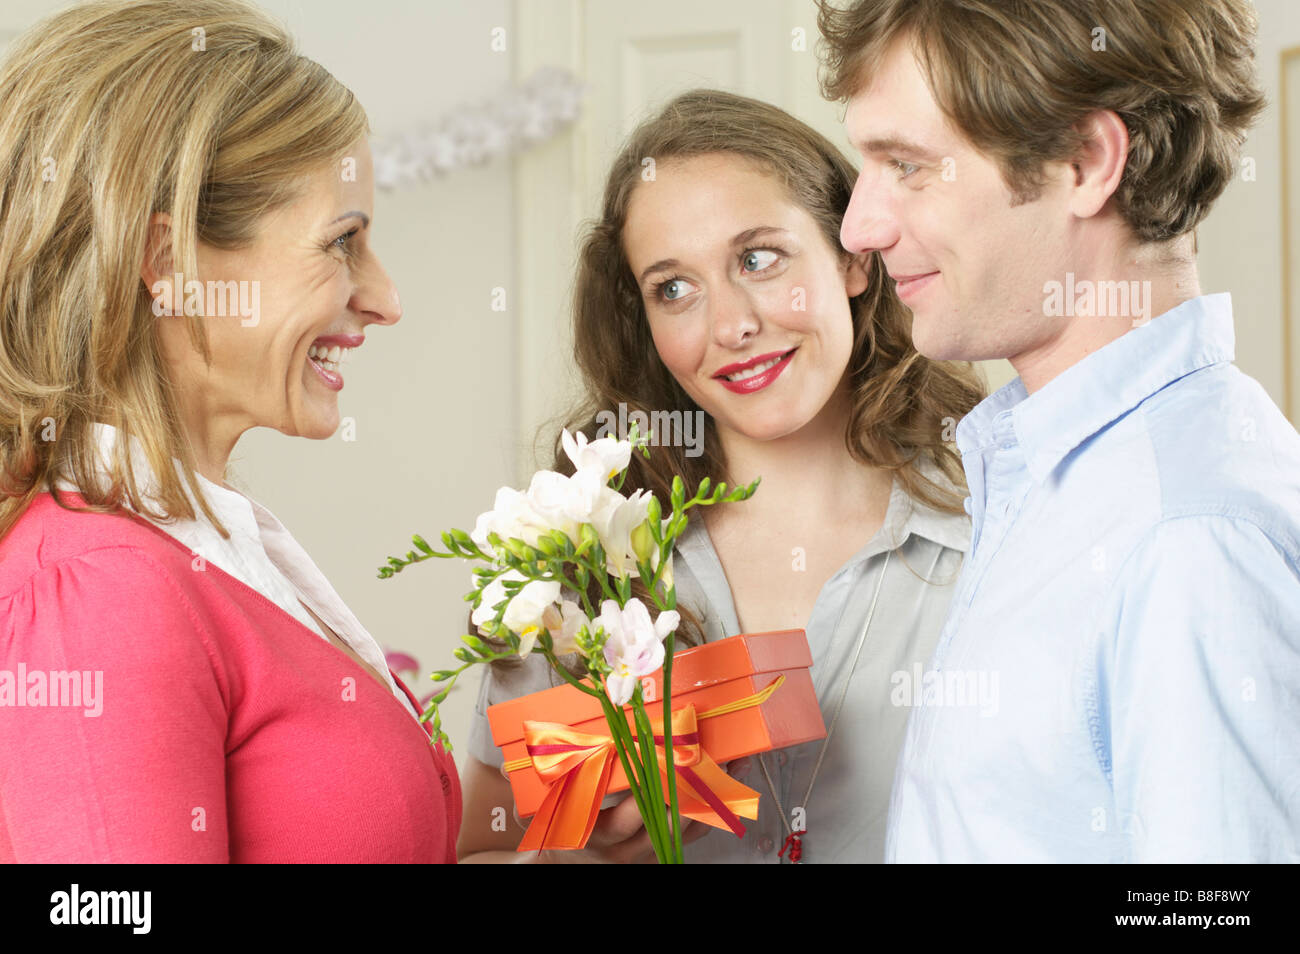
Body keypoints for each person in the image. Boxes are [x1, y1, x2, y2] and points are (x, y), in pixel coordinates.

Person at [821, 0, 1300, 861]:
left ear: (1086, 162)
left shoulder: (1188, 536)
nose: (861, 227)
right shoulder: (1052, 472)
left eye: (909, 166)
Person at [456, 89, 985, 863]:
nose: (730, 325)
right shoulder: (580, 566)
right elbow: (481, 845)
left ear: (850, 256)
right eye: (674, 288)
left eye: (759, 258)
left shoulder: (998, 521)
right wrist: (579, 857)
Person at [0, 0, 460, 862]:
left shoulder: (200, 542)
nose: (385, 298)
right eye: (342, 243)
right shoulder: (98, 595)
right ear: (169, 266)